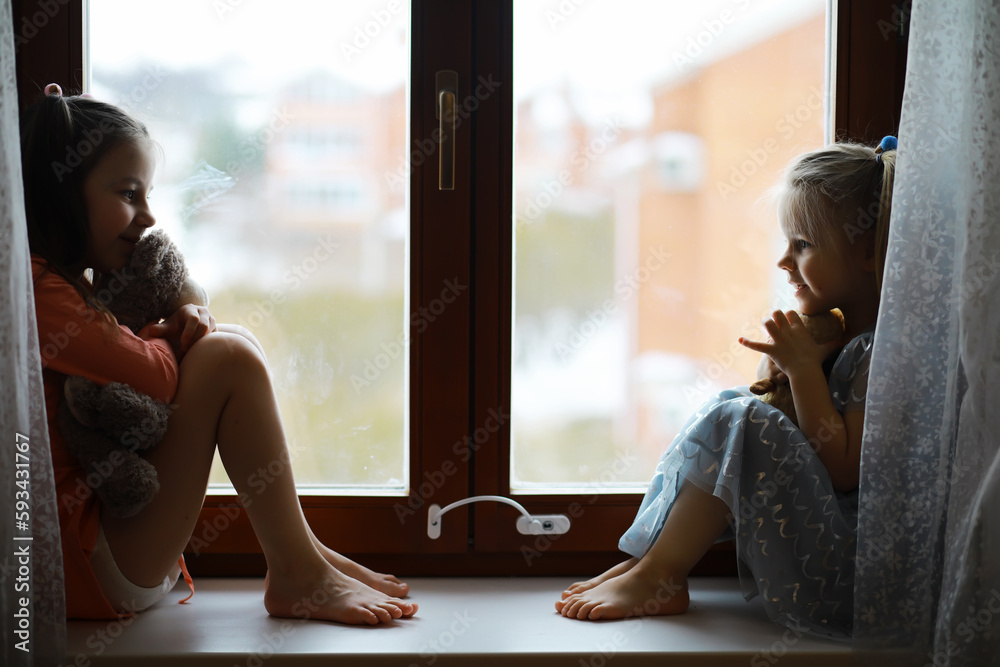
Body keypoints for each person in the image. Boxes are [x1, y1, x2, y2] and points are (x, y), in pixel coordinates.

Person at [23, 84, 417, 625]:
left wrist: (184, 308)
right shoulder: (38, 291)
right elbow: (157, 380)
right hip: (86, 568)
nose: (148, 217)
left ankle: (303, 553)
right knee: (227, 359)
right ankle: (298, 572)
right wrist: (168, 331)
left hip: (106, 553)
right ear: (64, 194)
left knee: (234, 343)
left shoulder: (66, 281)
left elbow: (176, 317)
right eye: (129, 194)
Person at [555, 137, 898, 639]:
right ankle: (653, 564)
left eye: (802, 244)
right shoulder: (840, 340)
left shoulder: (885, 351)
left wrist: (804, 371)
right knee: (734, 403)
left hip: (852, 573)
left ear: (868, 251)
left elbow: (845, 470)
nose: (784, 260)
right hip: (820, 545)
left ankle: (660, 575)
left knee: (742, 418)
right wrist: (795, 367)